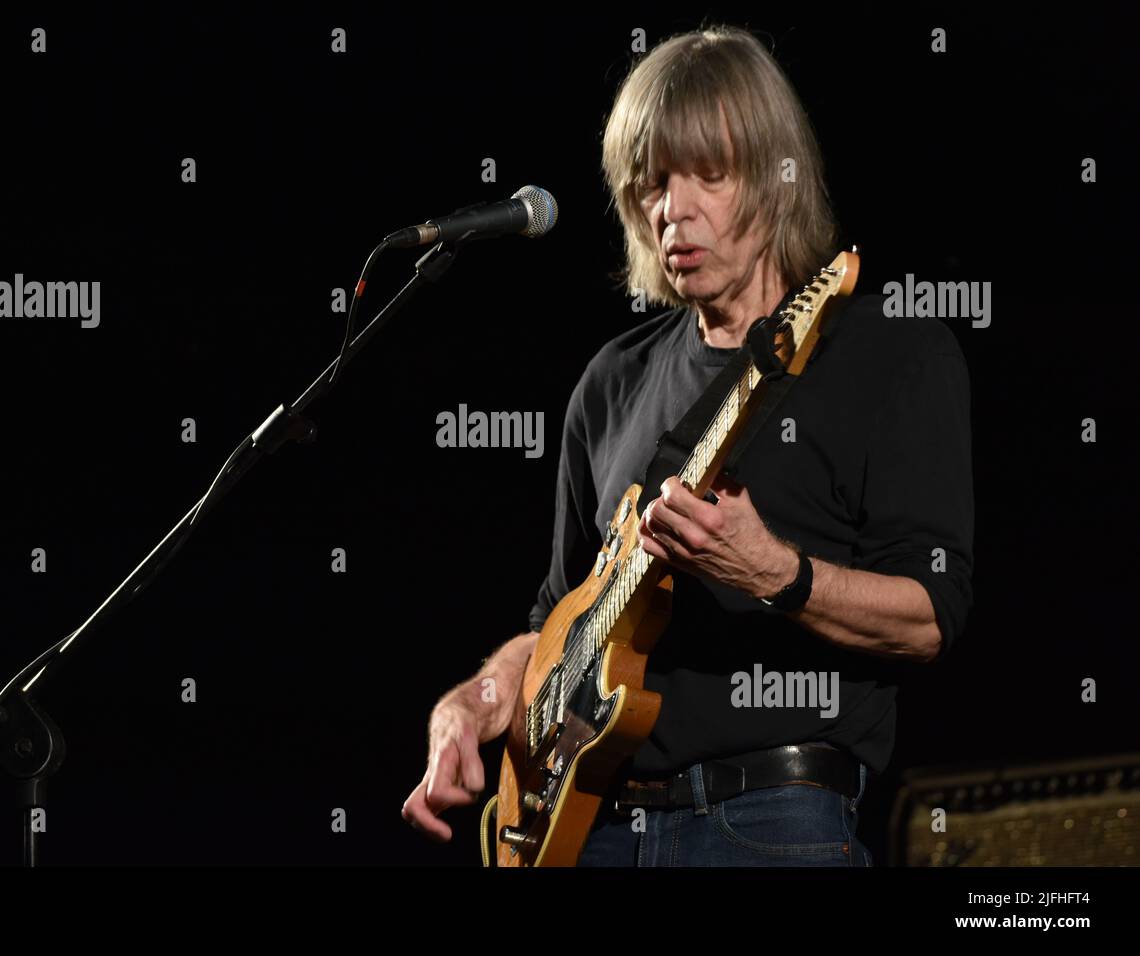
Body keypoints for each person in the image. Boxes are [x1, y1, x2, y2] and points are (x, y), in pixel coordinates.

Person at [402, 24, 974, 866]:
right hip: (593, 827)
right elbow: (561, 623)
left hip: (772, 818)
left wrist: (775, 574)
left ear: (777, 179)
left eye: (709, 173)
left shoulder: (890, 354)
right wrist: (474, 702)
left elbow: (932, 617)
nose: (674, 209)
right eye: (651, 184)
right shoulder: (611, 380)